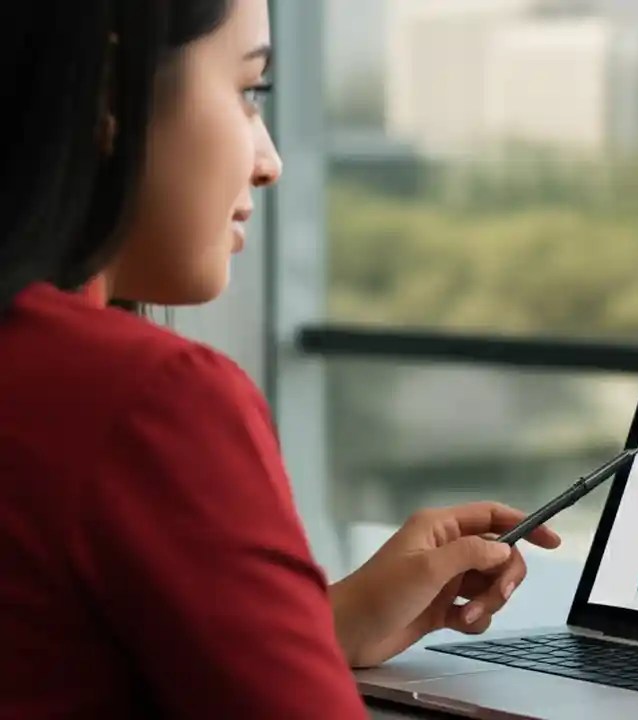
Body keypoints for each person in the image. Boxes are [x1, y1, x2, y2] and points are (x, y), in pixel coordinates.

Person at [0, 1, 561, 717]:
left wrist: (325, 622)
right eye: (248, 92)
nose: (269, 163)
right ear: (110, 91)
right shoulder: (148, 398)